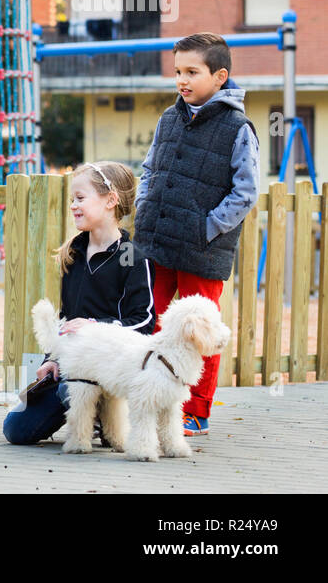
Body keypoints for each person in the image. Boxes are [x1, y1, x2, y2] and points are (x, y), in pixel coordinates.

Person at [133, 32, 258, 436]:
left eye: (192, 72)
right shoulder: (168, 119)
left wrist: (208, 228)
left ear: (220, 76)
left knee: (199, 333)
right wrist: (144, 206)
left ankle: (196, 411)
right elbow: (150, 169)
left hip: (203, 250)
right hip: (158, 240)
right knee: (156, 323)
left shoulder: (238, 128)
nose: (182, 80)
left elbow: (246, 192)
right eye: (177, 72)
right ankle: (154, 400)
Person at [2, 161, 154, 445]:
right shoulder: (73, 252)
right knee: (15, 430)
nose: (73, 205)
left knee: (72, 389)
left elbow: (144, 323)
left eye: (81, 198)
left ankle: (104, 415)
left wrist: (95, 327)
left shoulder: (132, 257)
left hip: (112, 369)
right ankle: (88, 416)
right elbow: (66, 318)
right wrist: (51, 360)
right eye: (73, 199)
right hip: (72, 364)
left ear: (110, 200)